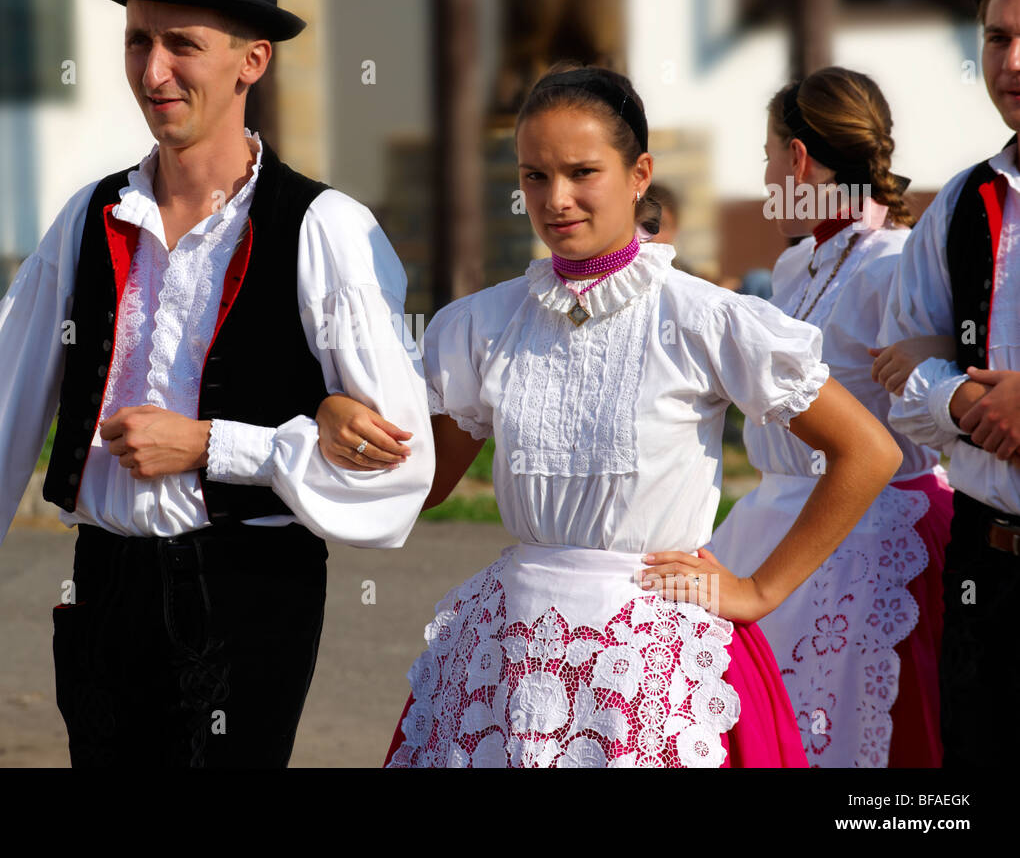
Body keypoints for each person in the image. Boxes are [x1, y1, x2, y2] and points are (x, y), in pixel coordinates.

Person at [0, 0, 434, 768]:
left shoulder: (324, 229)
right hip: (104, 591)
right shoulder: (89, 218)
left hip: (245, 596)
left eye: (181, 44)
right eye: (136, 42)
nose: (153, 71)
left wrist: (213, 445)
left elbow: (401, 466)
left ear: (251, 60)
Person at [316, 63, 903, 768]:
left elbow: (869, 451)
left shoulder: (704, 317)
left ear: (640, 173)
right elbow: (425, 485)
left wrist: (758, 588)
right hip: (511, 654)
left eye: (582, 171)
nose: (555, 198)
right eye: (534, 175)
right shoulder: (480, 324)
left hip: (656, 668)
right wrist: (339, 416)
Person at [709, 66, 954, 767]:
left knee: (870, 746)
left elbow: (978, 342)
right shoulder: (797, 267)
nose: (762, 179)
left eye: (765, 156)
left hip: (869, 530)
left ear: (796, 159)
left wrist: (938, 345)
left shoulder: (893, 261)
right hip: (774, 517)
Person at [873, 0, 1020, 768]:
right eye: (997, 38)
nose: (1012, 59)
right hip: (987, 567)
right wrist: (968, 404)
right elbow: (905, 375)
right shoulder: (962, 205)